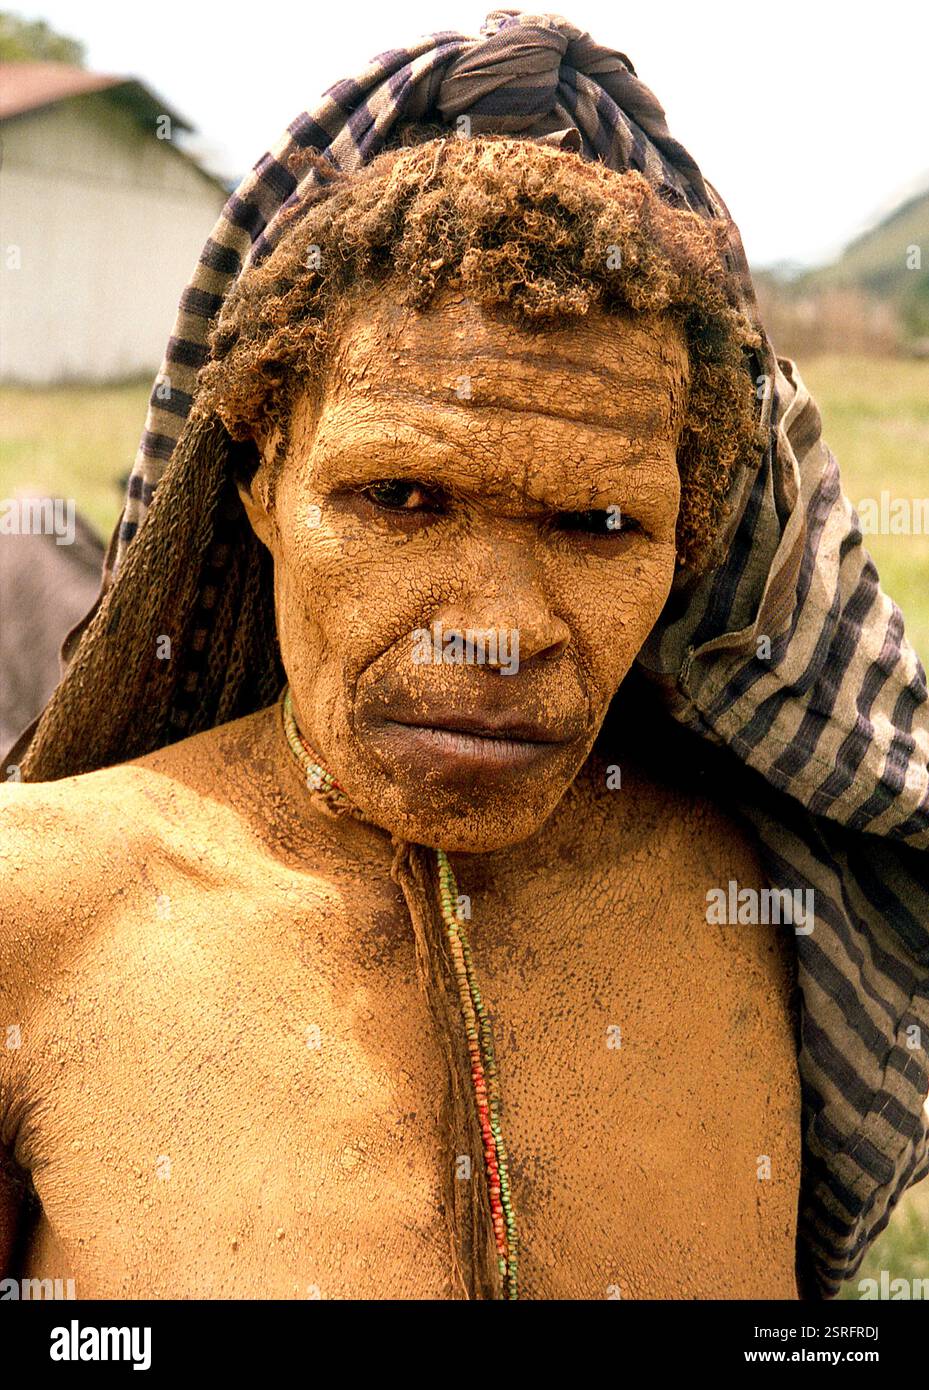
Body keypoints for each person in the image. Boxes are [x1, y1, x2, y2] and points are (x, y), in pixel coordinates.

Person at [1, 11, 926, 1301]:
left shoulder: (791, 916)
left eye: (599, 525)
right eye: (403, 500)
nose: (497, 626)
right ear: (264, 488)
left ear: (689, 542)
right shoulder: (32, 915)